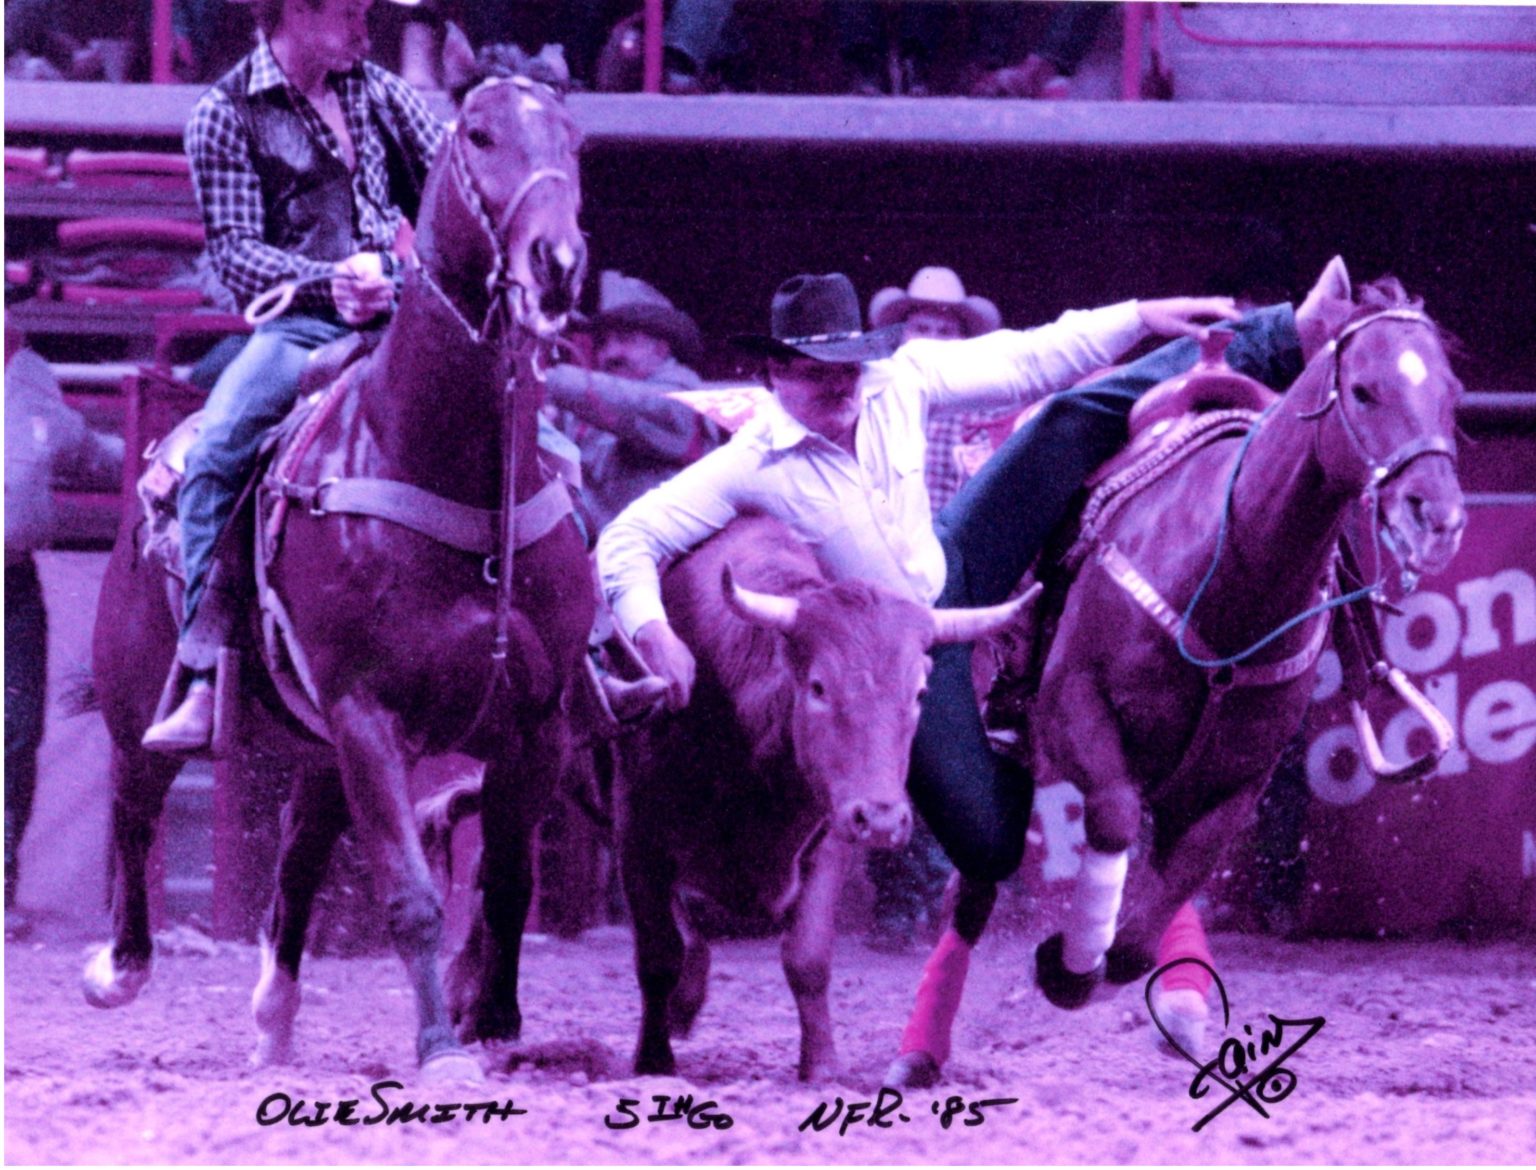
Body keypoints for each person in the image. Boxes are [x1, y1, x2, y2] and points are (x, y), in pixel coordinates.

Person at [597, 269, 1320, 969]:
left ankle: (1285, 331)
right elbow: (629, 538)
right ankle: (1013, 739)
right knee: (988, 844)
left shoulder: (898, 380)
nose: (841, 384)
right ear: (773, 375)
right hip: (896, 647)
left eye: (850, 366)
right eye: (818, 372)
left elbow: (1025, 357)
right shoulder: (749, 463)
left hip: (958, 560)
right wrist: (651, 628)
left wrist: (1136, 317)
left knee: (1065, 420)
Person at [140, 0, 444, 753]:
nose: (366, 27)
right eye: (349, 11)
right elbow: (238, 255)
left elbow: (446, 190)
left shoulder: (380, 92)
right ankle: (204, 669)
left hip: (407, 320)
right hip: (301, 329)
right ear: (293, 10)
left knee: (534, 433)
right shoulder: (225, 114)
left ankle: (591, 646)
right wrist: (327, 283)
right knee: (218, 452)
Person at [5, 327, 124, 932]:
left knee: (17, 732)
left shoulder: (28, 382)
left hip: (13, 580)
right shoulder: (28, 382)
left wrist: (148, 456)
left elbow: (88, 451)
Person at [546, 270, 721, 532]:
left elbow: (639, 405)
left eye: (625, 340)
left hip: (668, 551)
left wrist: (545, 377)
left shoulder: (686, 397)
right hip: (598, 546)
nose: (610, 353)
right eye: (603, 343)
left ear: (661, 349)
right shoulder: (585, 405)